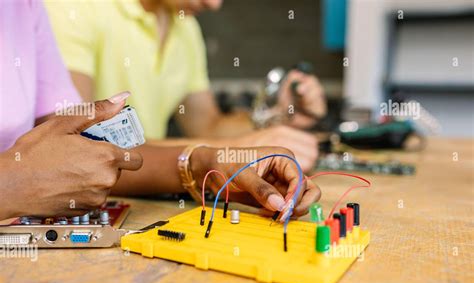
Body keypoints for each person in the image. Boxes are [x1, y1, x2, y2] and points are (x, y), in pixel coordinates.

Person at [0, 1, 320, 221]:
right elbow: (70, 156)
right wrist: (12, 184)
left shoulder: (25, 7)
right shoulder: (71, 9)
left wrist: (206, 164)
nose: (215, 5)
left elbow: (73, 154)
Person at [45, 0, 327, 172]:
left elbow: (208, 128)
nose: (214, 4)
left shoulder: (185, 28)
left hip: (144, 199)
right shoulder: (73, 7)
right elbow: (74, 142)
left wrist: (279, 114)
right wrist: (226, 151)